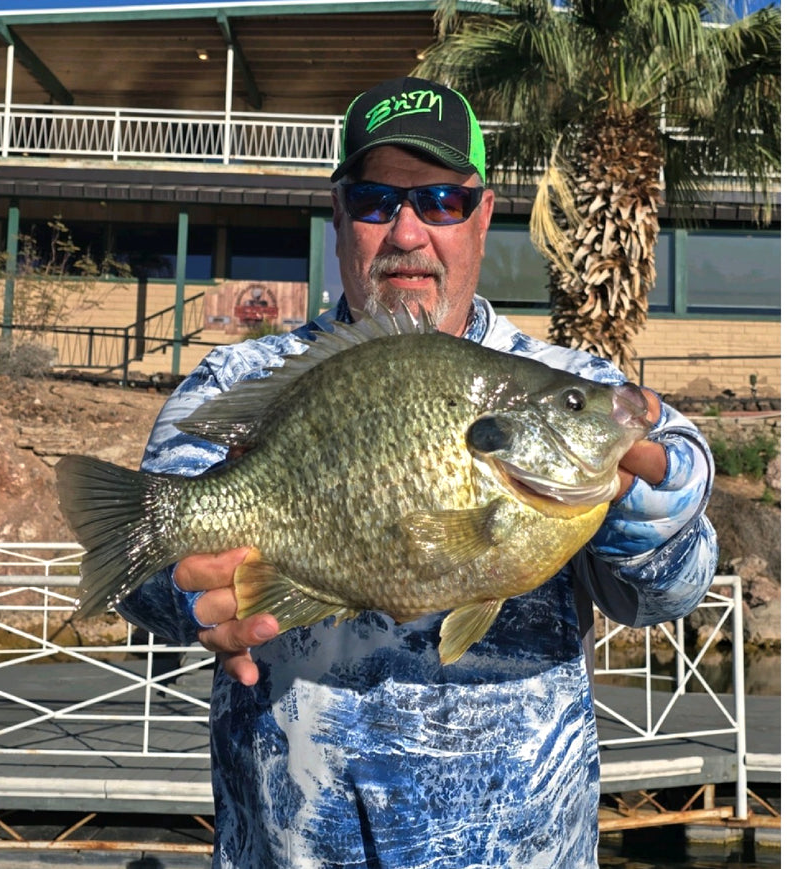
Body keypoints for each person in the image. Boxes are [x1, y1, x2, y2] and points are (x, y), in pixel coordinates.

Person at [117, 77, 718, 868]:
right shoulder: (238, 383)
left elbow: (668, 589)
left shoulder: (566, 385)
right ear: (337, 215)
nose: (407, 231)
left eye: (439, 200)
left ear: (482, 216)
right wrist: (188, 587)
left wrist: (654, 517)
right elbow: (141, 572)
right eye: (374, 200)